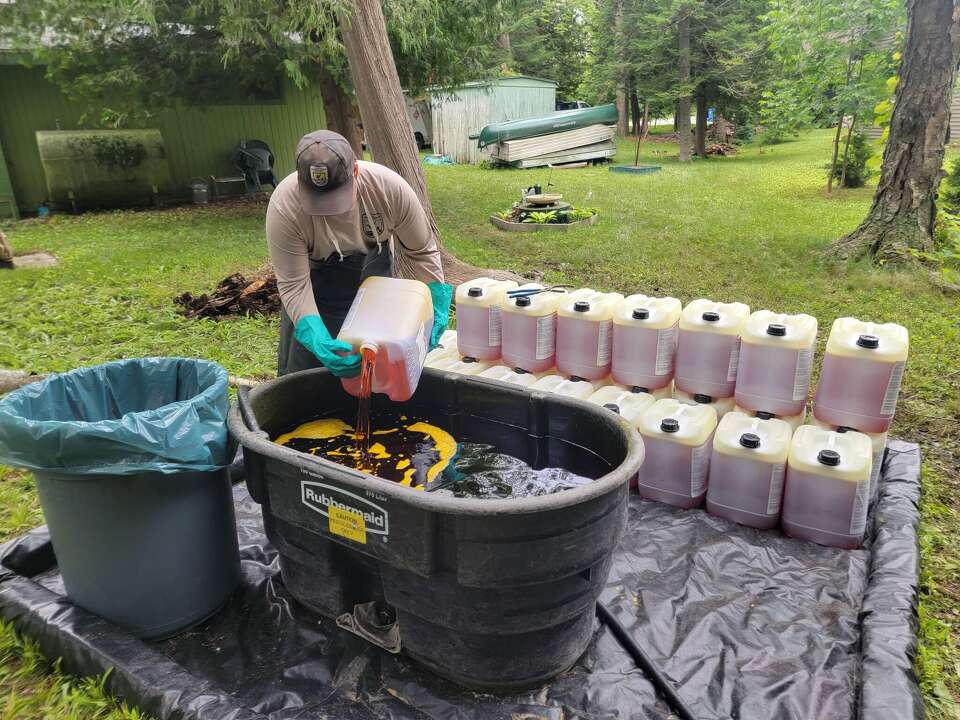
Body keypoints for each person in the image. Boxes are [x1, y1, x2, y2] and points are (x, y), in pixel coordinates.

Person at [267, 130, 452, 377]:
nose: (331, 211)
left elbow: (421, 252)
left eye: (336, 198)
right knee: (306, 382)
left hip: (376, 290)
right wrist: (315, 335)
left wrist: (435, 305)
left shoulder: (390, 189)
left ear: (355, 170)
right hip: (315, 295)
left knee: (379, 373)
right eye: (318, 200)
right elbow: (294, 285)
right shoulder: (284, 208)